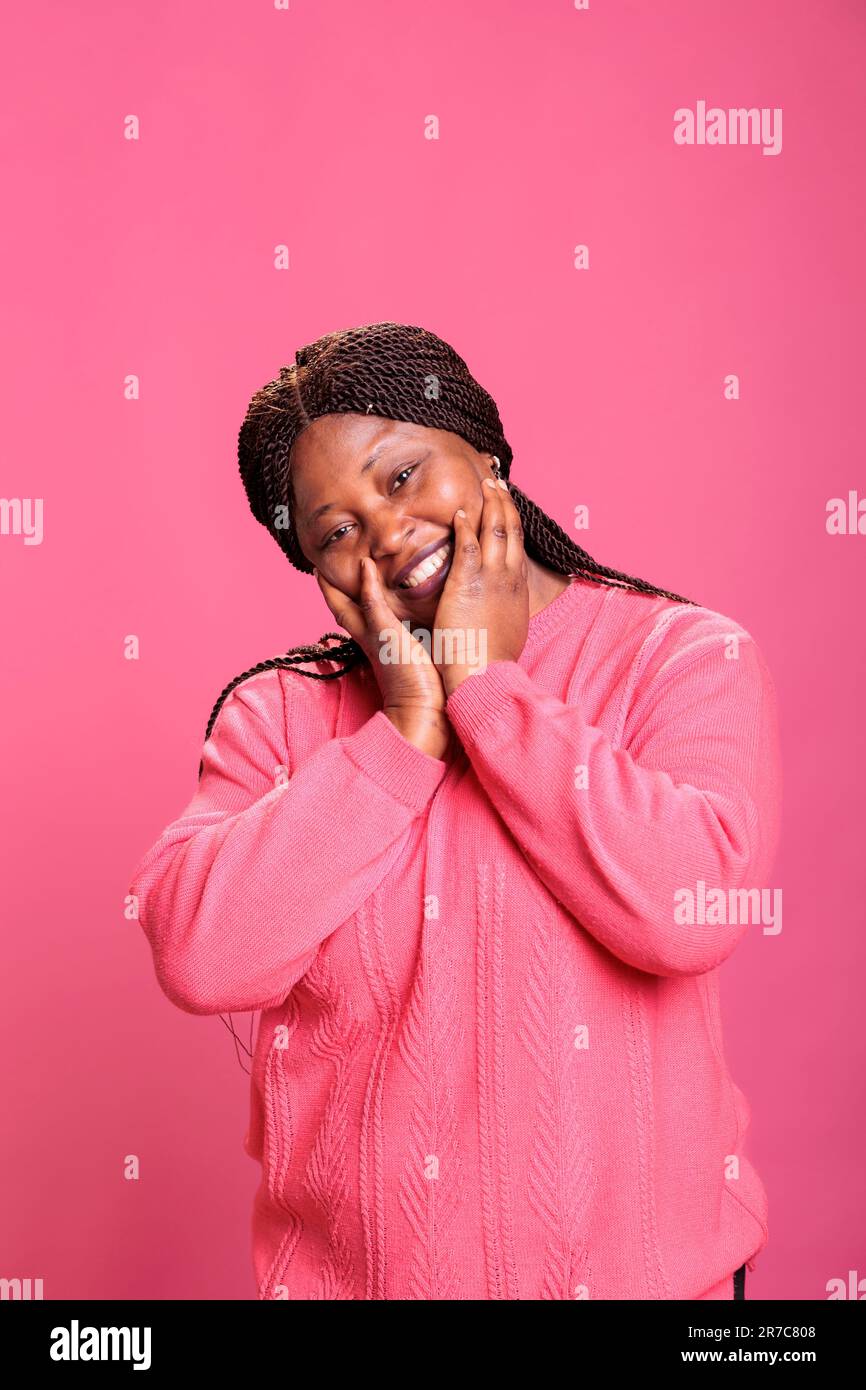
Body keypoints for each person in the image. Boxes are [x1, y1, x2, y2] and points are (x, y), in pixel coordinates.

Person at [128, 321, 781, 1300]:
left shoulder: (677, 655)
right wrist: (403, 731)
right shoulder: (281, 714)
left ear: (484, 456)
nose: (383, 533)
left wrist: (487, 690)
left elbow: (686, 906)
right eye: (334, 530)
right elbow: (198, 952)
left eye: (399, 478)